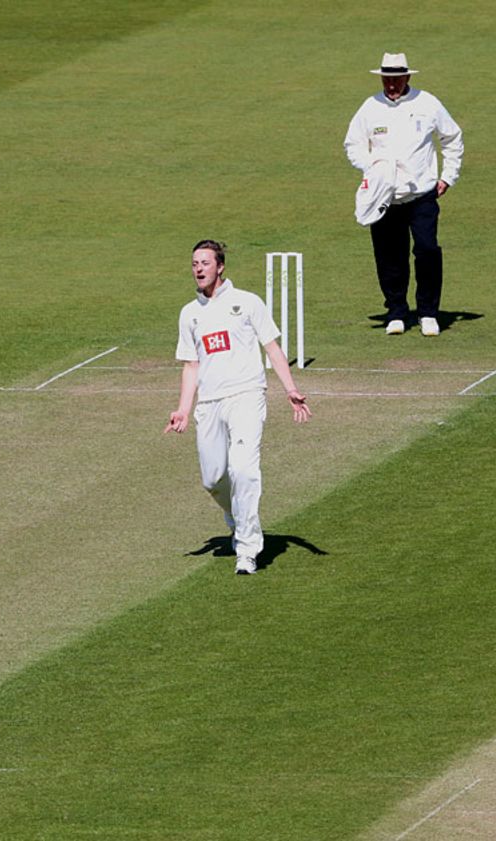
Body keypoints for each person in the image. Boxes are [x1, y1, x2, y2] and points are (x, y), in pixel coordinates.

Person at [164, 241, 312, 575]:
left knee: (244, 471)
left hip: (247, 395)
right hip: (210, 403)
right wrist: (183, 410)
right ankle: (235, 514)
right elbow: (191, 366)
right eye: (193, 264)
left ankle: (247, 549)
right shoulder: (190, 314)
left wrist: (290, 389)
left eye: (204, 262)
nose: (198, 268)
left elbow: (272, 348)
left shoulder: (246, 303)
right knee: (213, 478)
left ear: (220, 266)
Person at [344, 51, 463, 337]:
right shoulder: (370, 107)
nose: (392, 85)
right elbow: (353, 145)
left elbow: (452, 137)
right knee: (388, 255)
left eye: (397, 79)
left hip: (422, 194)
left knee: (427, 249)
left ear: (407, 77)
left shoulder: (427, 103)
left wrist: (448, 176)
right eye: (387, 79)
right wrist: (374, 167)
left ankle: (428, 312)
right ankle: (396, 311)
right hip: (384, 196)